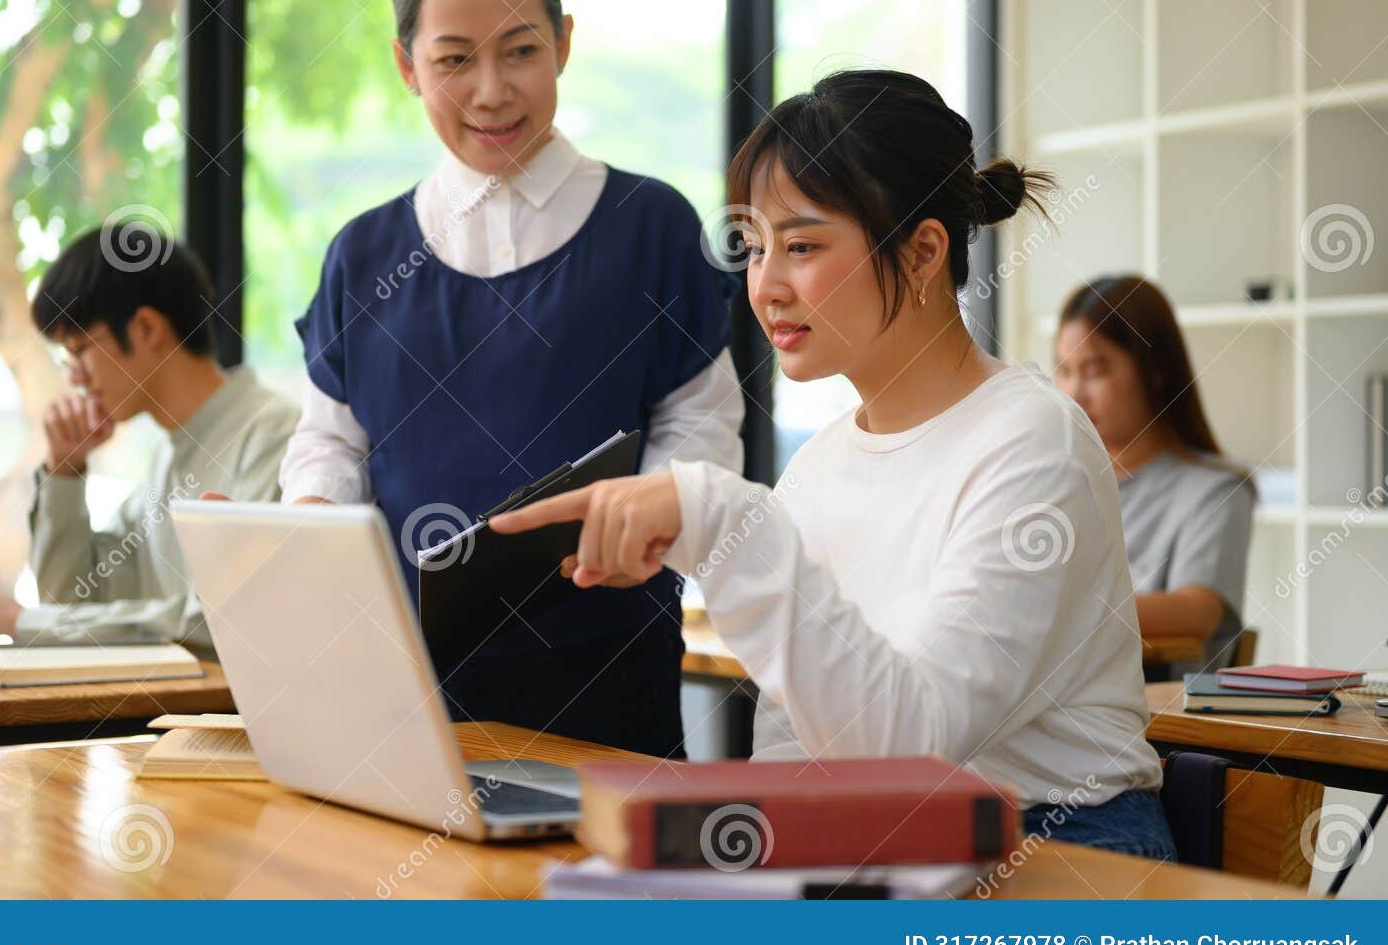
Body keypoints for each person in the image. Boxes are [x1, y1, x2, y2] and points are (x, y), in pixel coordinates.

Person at [491, 69, 1175, 859]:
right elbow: (795, 749)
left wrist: (720, 518)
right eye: (754, 247)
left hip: (1059, 849)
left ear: (922, 252)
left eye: (804, 246)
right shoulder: (819, 466)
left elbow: (914, 747)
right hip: (879, 838)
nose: (766, 285)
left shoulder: (1033, 442)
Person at [279, 0, 743, 758]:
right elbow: (330, 443)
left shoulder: (652, 227)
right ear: (406, 66)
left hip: (608, 668)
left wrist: (652, 509)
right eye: (454, 59)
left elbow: (701, 425)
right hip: (403, 676)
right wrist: (311, 520)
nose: (491, 90)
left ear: (564, 44)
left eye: (521, 50)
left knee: (607, 890)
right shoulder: (363, 254)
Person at [0, 225, 298, 654]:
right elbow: (73, 600)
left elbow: (219, 620)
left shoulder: (274, 436)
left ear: (148, 328)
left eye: (79, 350)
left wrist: (29, 620)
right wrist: (64, 471)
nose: (73, 378)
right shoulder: (167, 455)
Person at [1055, 275, 1254, 671]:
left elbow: (1197, 612)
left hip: (1157, 716)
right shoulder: (1061, 481)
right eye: (1064, 371)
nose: (1075, 393)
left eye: (1094, 371)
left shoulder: (1215, 489)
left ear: (1155, 370)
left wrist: (1058, 609)